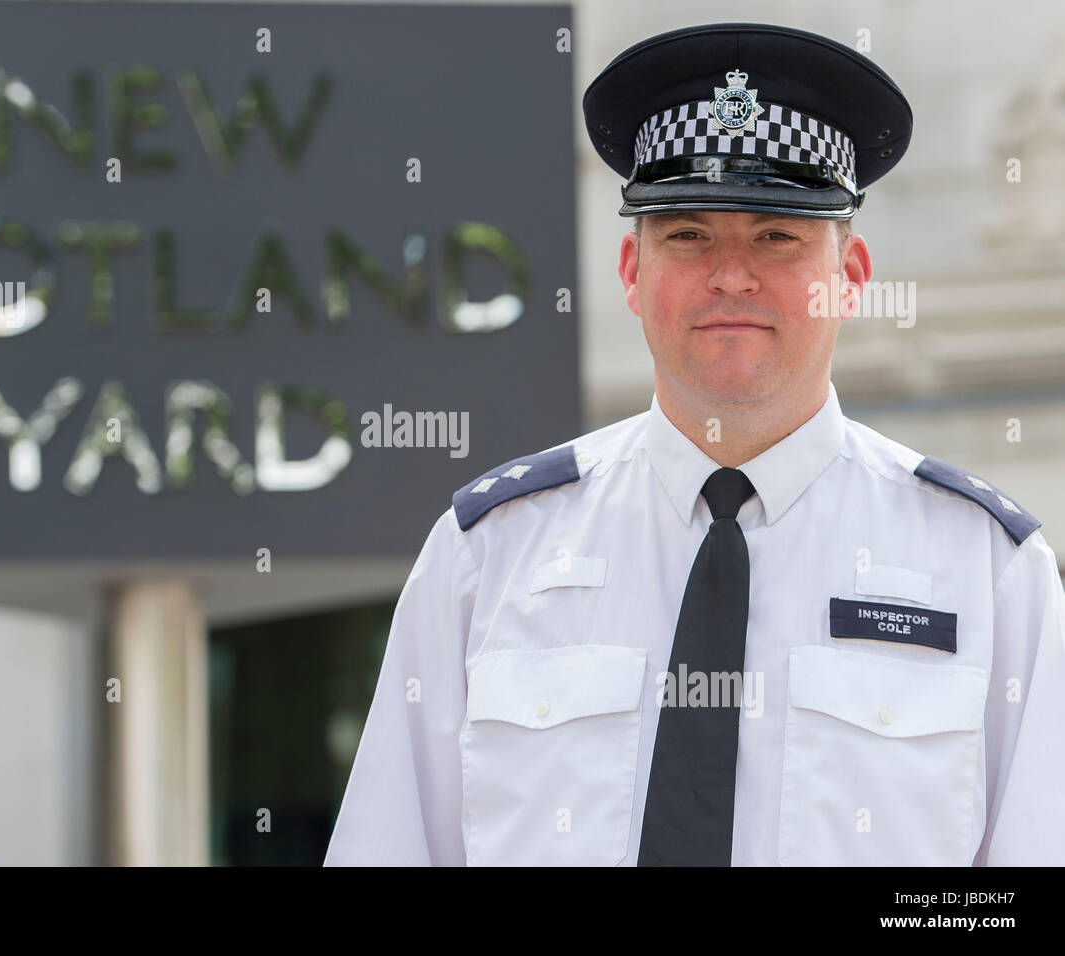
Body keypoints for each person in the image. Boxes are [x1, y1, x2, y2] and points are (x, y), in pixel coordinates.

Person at [323, 22, 1065, 866]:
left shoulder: (987, 571)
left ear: (851, 277)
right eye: (688, 234)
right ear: (632, 274)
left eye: (777, 236)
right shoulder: (487, 560)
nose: (732, 274)